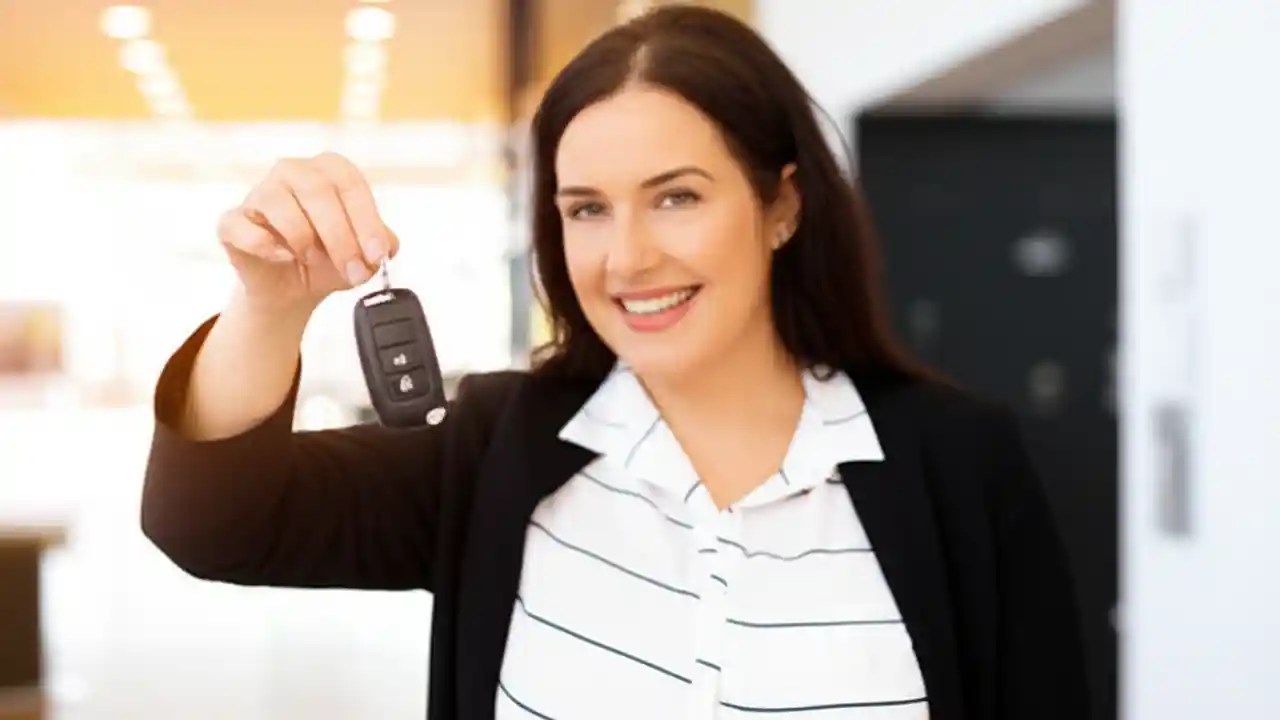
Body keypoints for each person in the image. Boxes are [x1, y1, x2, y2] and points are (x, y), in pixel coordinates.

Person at [141, 5, 1090, 720]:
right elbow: (217, 521)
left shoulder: (958, 464)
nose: (626, 257)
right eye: (587, 207)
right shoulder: (501, 447)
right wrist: (272, 303)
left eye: (676, 197)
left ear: (782, 206)